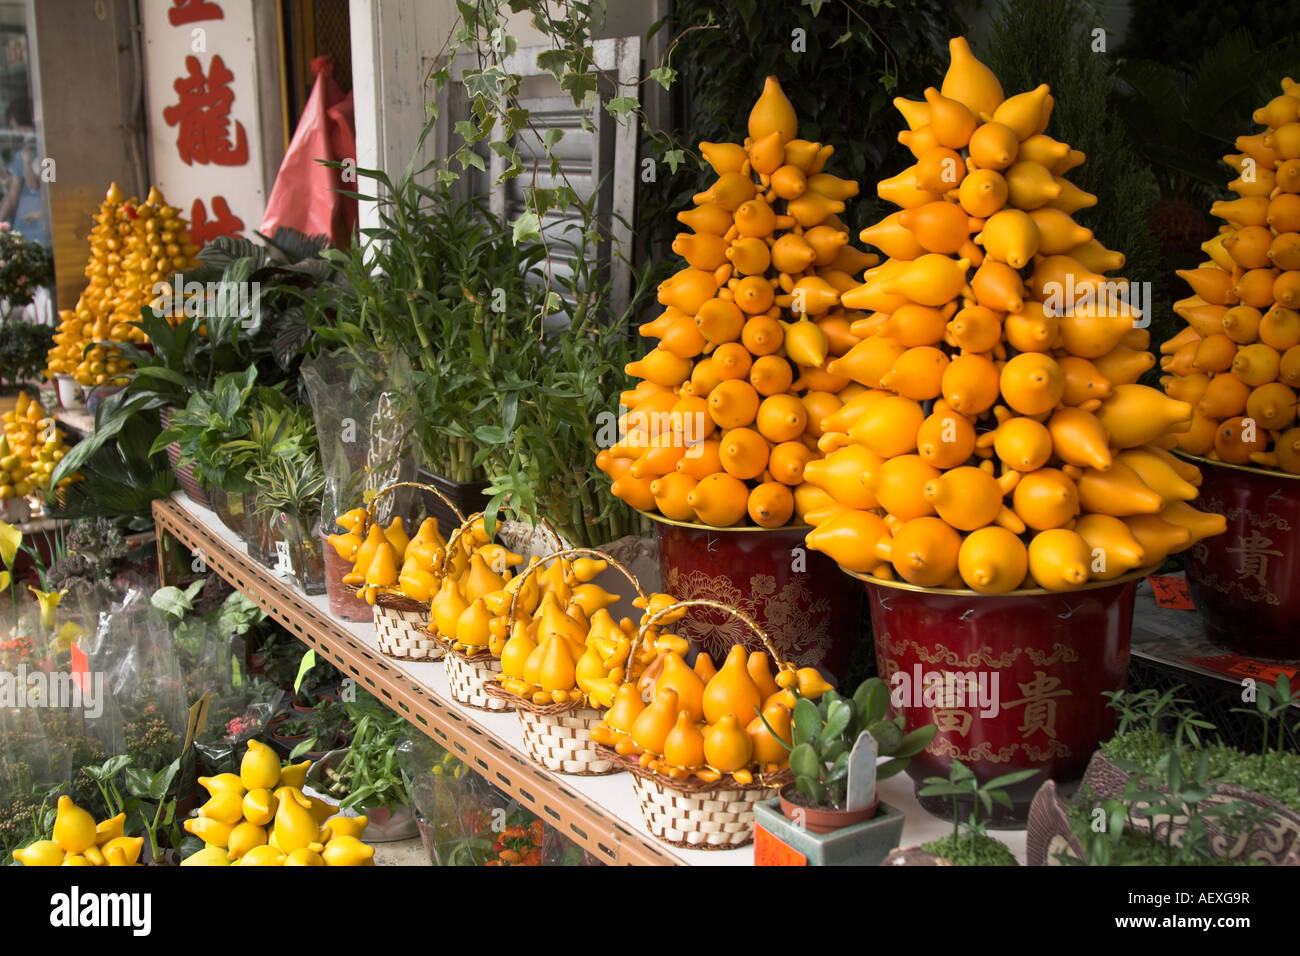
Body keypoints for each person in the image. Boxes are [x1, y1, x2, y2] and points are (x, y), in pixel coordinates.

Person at [0, 100, 49, 249]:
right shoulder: (47, 146)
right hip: (39, 217)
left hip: (33, 220)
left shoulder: (31, 151)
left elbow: (34, 187)